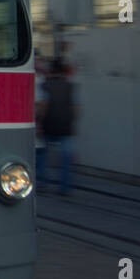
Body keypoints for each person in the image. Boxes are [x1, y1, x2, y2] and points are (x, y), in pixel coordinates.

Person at [39, 58, 77, 195]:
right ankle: (65, 186)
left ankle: (41, 182)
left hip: (49, 124)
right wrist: (72, 122)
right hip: (66, 126)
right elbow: (75, 108)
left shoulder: (45, 85)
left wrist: (39, 124)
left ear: (51, 70)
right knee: (66, 157)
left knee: (42, 153)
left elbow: (43, 105)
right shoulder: (70, 86)